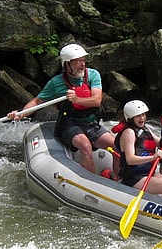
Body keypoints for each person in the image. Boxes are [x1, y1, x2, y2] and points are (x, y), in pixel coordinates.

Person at [9, 43, 114, 174]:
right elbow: (37, 101)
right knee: (85, 145)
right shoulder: (56, 82)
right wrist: (20, 114)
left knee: (116, 144)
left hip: (90, 123)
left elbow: (96, 100)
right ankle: (95, 184)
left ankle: (120, 179)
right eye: (77, 61)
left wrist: (77, 99)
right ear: (67, 64)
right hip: (69, 124)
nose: (82, 64)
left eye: (83, 60)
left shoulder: (93, 75)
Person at [115, 100, 162, 204]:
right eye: (138, 116)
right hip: (134, 177)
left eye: (143, 115)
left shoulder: (145, 129)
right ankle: (156, 213)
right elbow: (130, 159)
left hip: (148, 172)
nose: (142, 118)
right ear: (131, 117)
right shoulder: (129, 133)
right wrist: (152, 157)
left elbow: (161, 143)